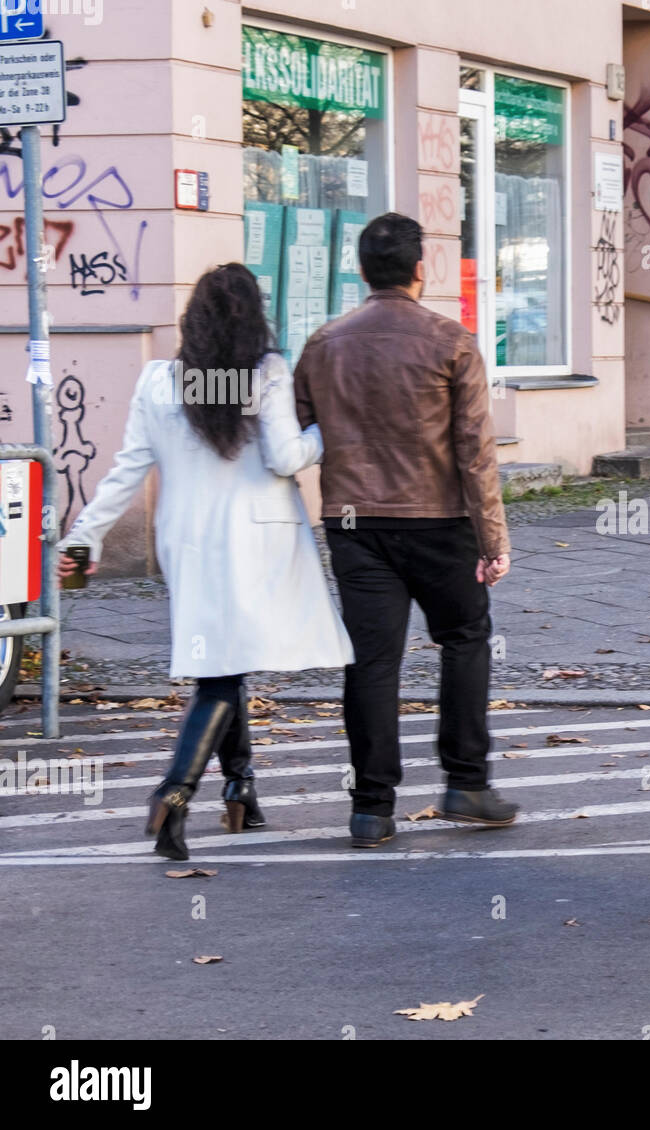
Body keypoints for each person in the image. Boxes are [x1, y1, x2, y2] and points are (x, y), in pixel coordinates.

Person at [57, 264, 354, 860]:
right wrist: (328, 430)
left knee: (223, 660)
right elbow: (285, 458)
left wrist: (81, 538)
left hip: (187, 543)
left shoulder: (158, 381)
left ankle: (242, 786)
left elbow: (127, 470)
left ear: (192, 322)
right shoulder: (264, 372)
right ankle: (176, 790)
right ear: (253, 319)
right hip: (256, 540)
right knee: (221, 671)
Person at [294, 212, 515, 850]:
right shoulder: (451, 341)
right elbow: (476, 451)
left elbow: (300, 435)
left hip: (355, 526)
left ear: (363, 270)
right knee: (466, 637)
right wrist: (493, 540)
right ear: (421, 269)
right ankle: (466, 780)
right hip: (440, 523)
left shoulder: (324, 342)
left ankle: (371, 809)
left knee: (372, 660)